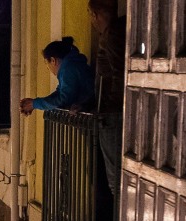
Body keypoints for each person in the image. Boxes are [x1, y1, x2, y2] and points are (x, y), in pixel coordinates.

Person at [88, 0, 126, 206]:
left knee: (116, 183)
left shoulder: (112, 35)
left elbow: (119, 74)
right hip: (111, 114)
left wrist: (110, 107)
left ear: (95, 14)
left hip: (112, 116)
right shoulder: (116, 32)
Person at [20, 38, 95, 115]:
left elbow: (64, 99)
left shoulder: (68, 69)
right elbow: (59, 93)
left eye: (47, 64)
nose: (48, 68)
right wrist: (34, 103)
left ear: (53, 60)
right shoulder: (70, 66)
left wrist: (35, 104)